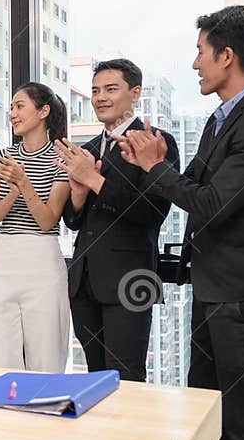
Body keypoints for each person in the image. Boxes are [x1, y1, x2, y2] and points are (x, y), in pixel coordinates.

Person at [117, 6, 244, 440]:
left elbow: (211, 203)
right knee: (210, 405)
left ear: (227, 55)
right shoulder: (222, 121)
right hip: (214, 286)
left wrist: (155, 167)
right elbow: (188, 182)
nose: (195, 63)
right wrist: (147, 162)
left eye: (201, 52)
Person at [53, 58, 179, 382]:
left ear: (135, 93)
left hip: (130, 283)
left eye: (111, 89)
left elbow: (152, 213)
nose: (99, 97)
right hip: (84, 282)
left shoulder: (155, 141)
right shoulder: (90, 148)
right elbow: (73, 221)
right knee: (95, 379)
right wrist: (79, 191)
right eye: (95, 90)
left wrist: (94, 181)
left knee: (127, 379)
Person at [0, 82, 70, 372]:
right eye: (11, 108)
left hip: (42, 262)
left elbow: (47, 221)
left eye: (19, 106)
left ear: (43, 111)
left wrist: (22, 181)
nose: (12, 114)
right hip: (4, 259)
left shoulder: (62, 159)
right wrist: (14, 192)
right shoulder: (0, 158)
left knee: (46, 357)